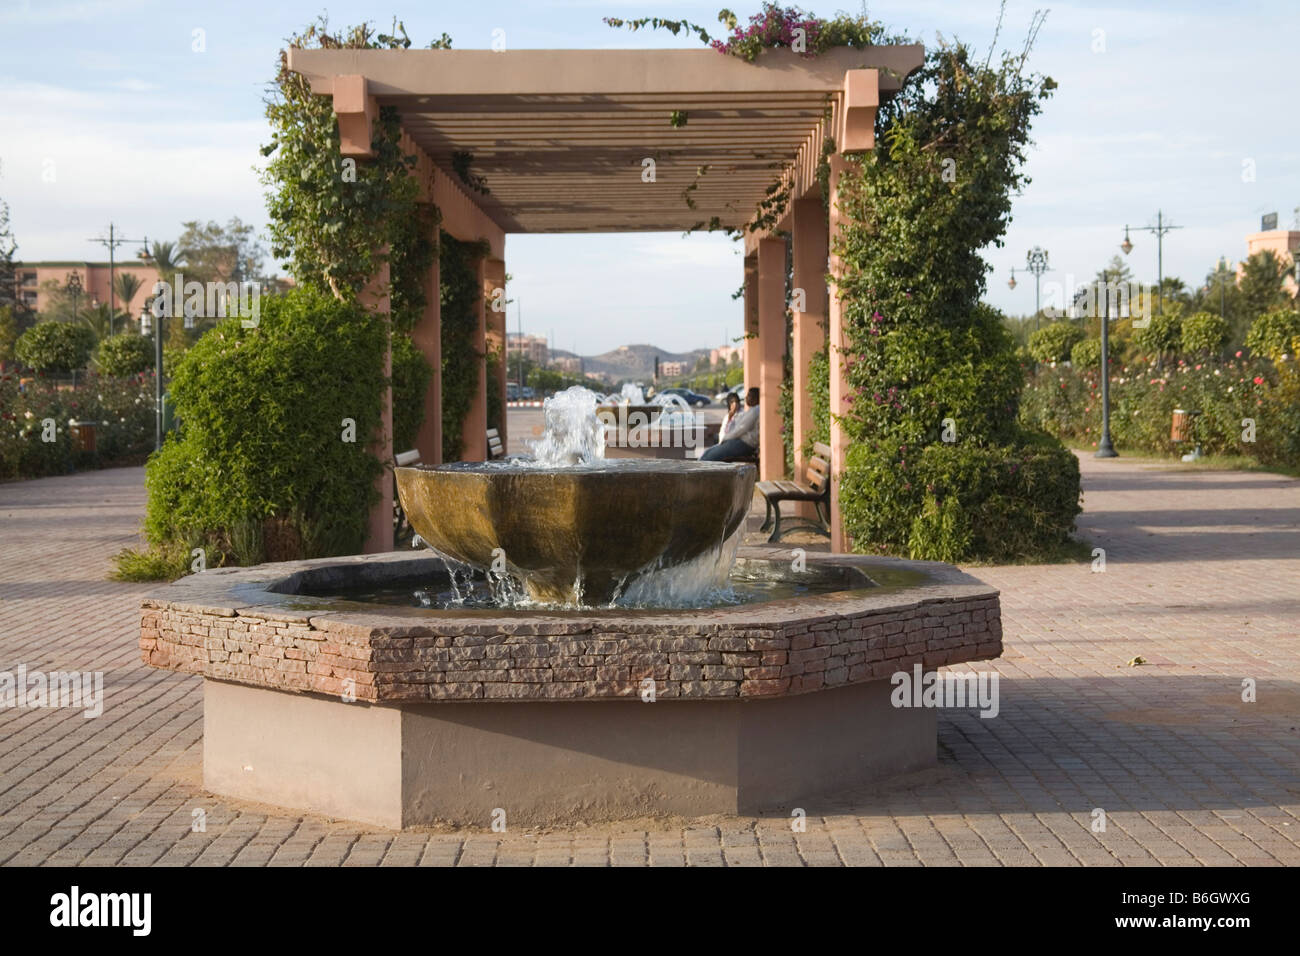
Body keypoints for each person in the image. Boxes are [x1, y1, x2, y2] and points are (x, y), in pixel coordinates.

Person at [701, 387, 758, 462]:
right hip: (733, 441)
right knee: (707, 453)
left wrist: (725, 439)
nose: (746, 398)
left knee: (708, 458)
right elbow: (723, 432)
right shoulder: (730, 416)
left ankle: (698, 471)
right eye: (732, 402)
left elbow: (740, 430)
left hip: (743, 443)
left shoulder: (753, 411)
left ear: (756, 398)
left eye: (749, 396)